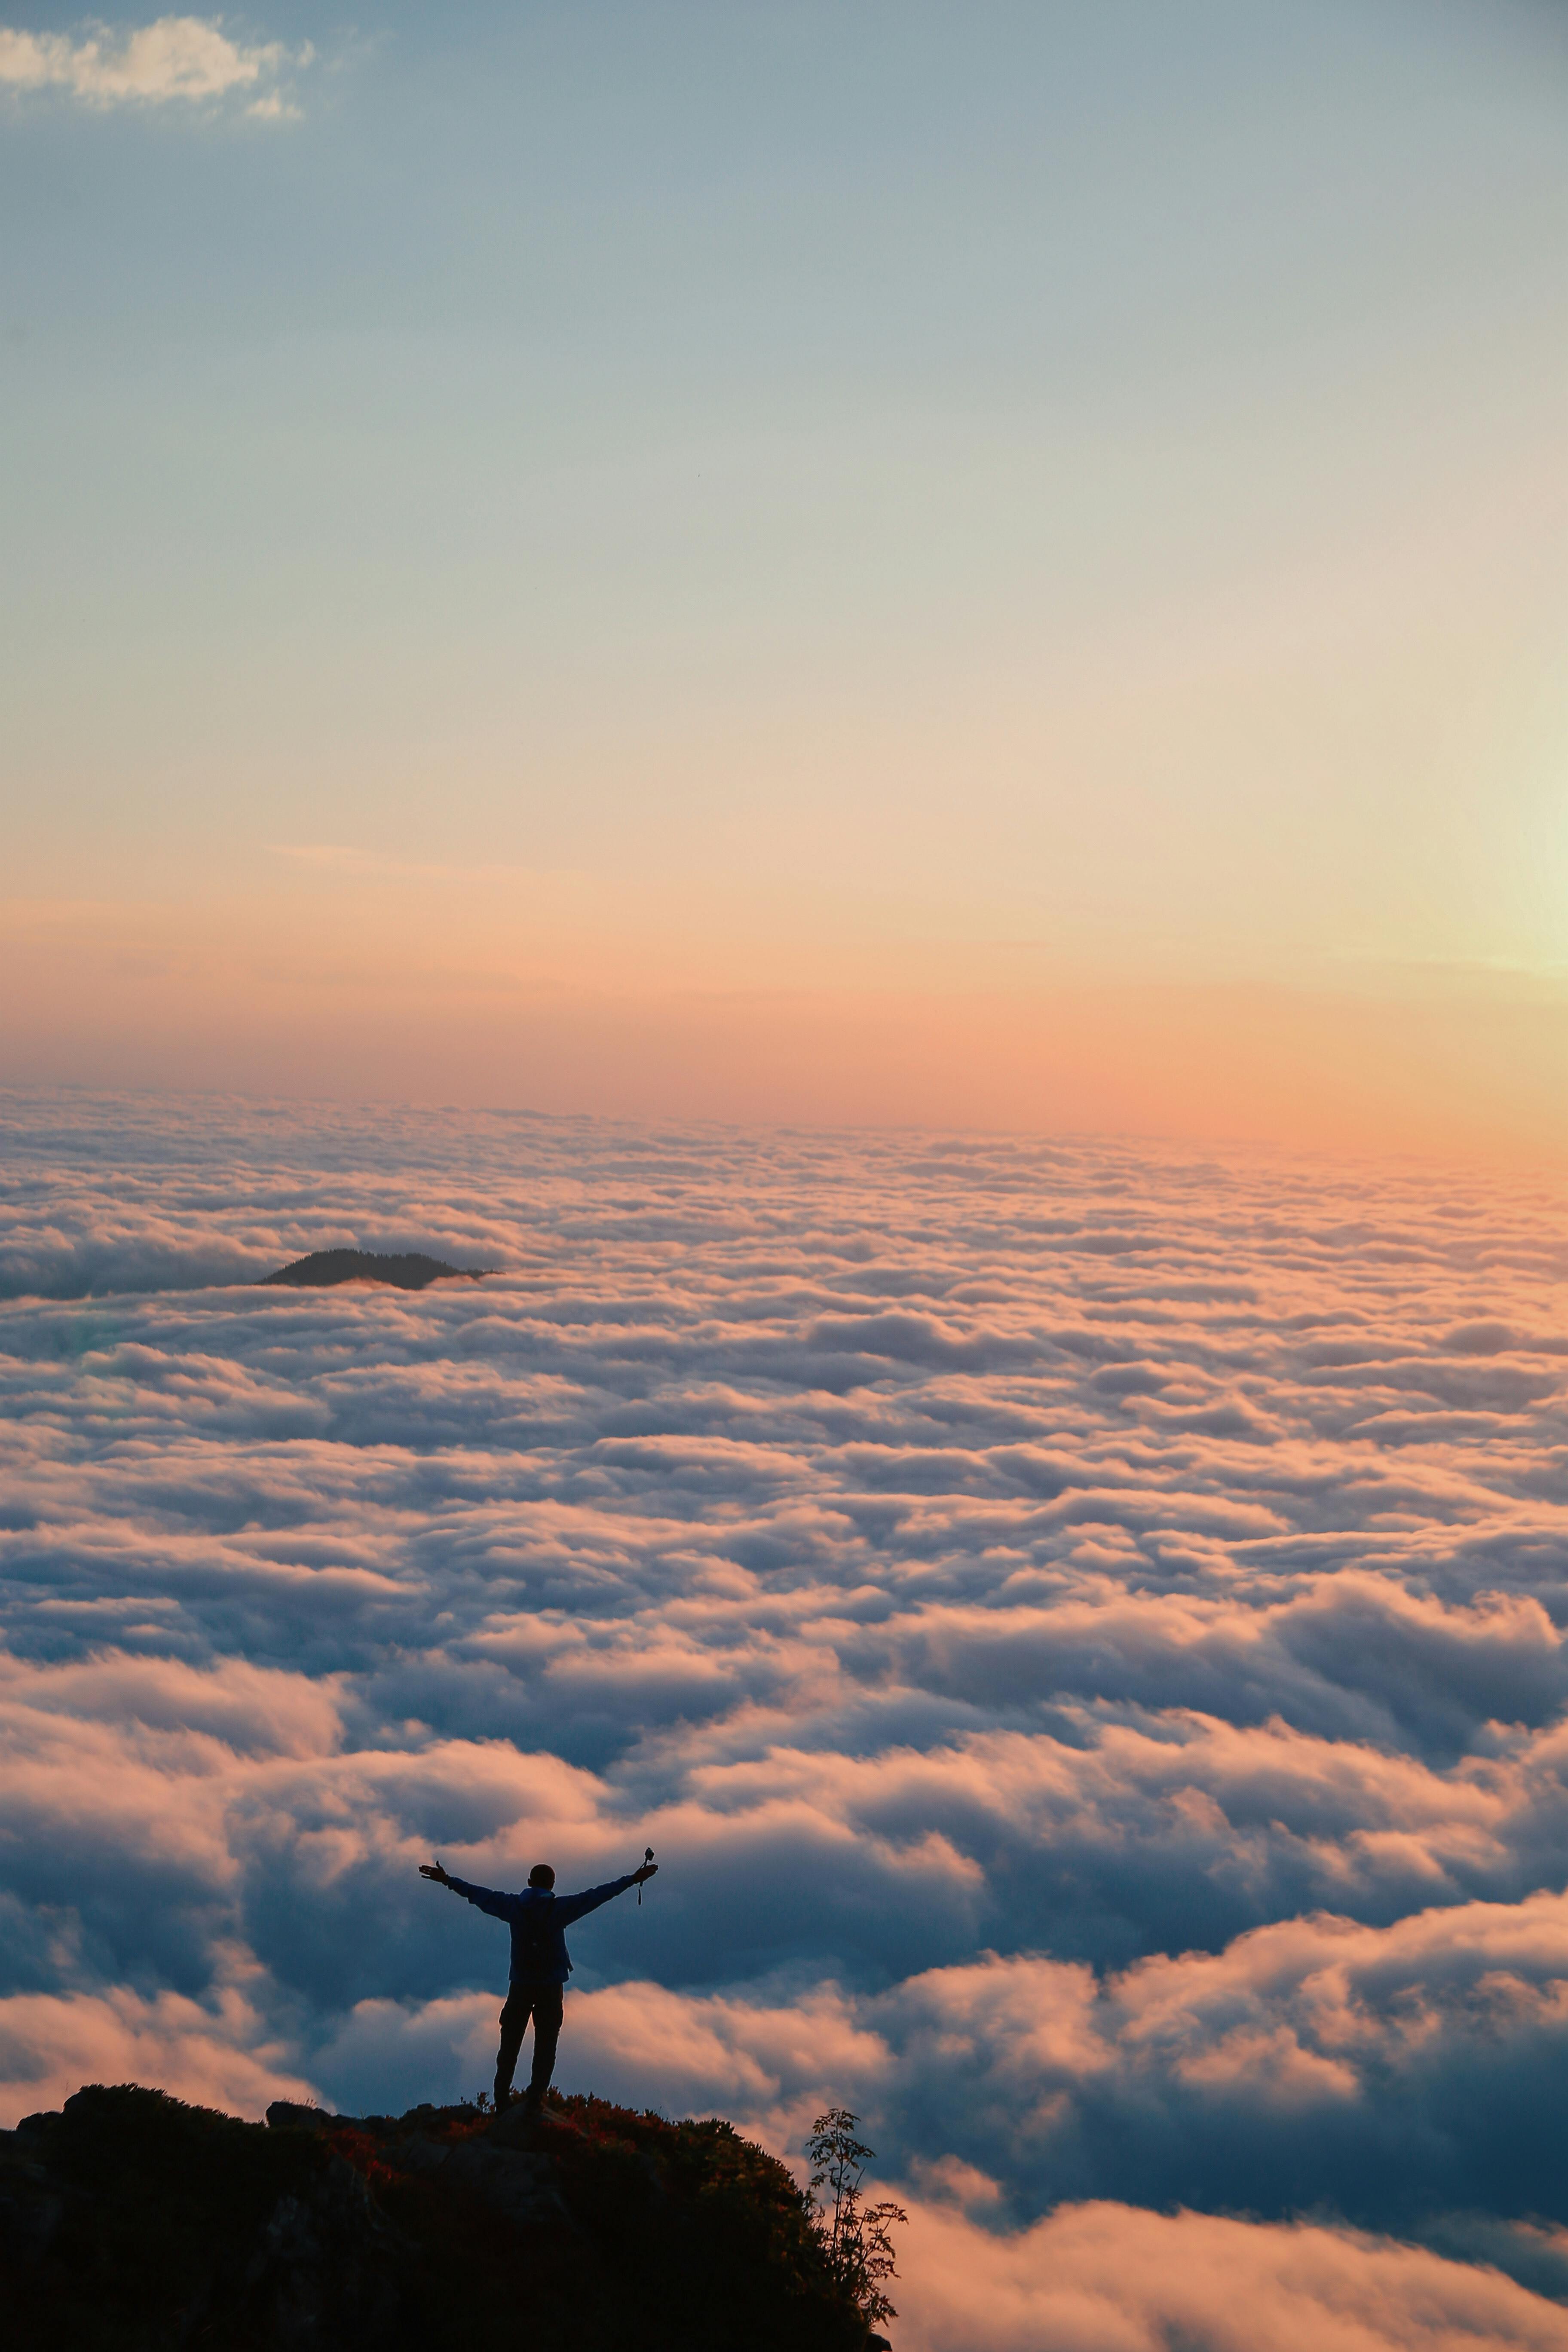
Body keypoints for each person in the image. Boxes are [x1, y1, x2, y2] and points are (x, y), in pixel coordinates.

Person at [420, 1854, 657, 2110]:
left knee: (509, 2045)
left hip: (521, 1985)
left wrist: (447, 1880)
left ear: (529, 1882)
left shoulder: (512, 1906)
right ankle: (535, 2100)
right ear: (552, 1885)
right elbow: (597, 1896)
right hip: (551, 1986)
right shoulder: (559, 1910)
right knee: (546, 2045)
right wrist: (633, 1880)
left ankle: (502, 2102)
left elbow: (478, 1894)